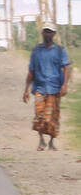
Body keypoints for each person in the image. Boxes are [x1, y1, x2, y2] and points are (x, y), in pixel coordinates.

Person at [24, 23, 71, 151]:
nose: (47, 34)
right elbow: (31, 71)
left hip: (55, 89)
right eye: (45, 31)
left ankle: (51, 142)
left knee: (51, 117)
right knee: (39, 115)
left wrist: (65, 84)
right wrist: (26, 90)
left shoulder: (60, 51)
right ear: (42, 33)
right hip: (40, 88)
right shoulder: (36, 51)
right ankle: (41, 141)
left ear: (54, 34)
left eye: (50, 31)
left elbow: (66, 67)